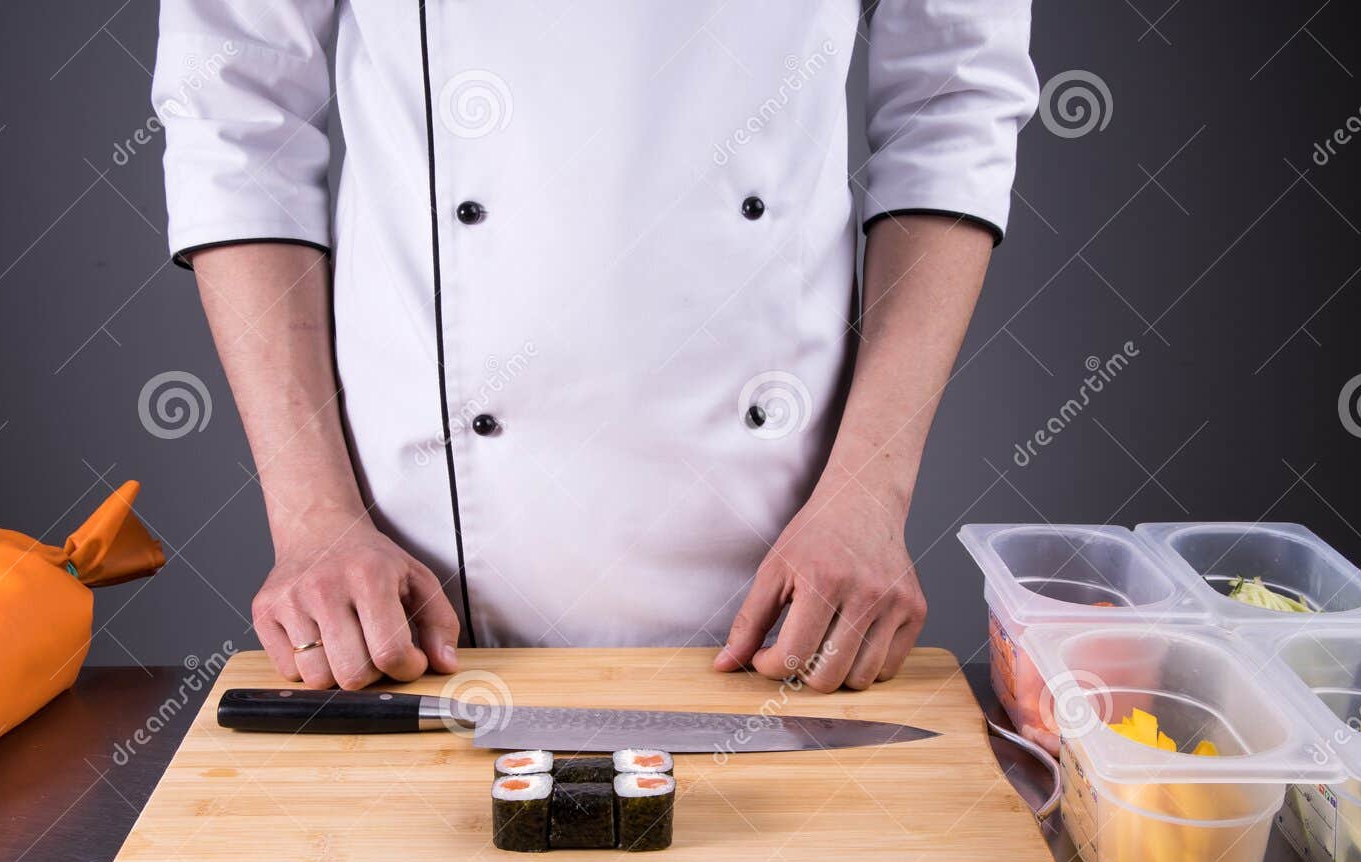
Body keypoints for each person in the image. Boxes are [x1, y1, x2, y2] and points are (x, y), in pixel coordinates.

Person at [154, 1, 1036, 693]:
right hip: (412, 607)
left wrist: (868, 493)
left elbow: (952, 100)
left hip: (790, 585)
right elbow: (235, 108)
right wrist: (315, 521)